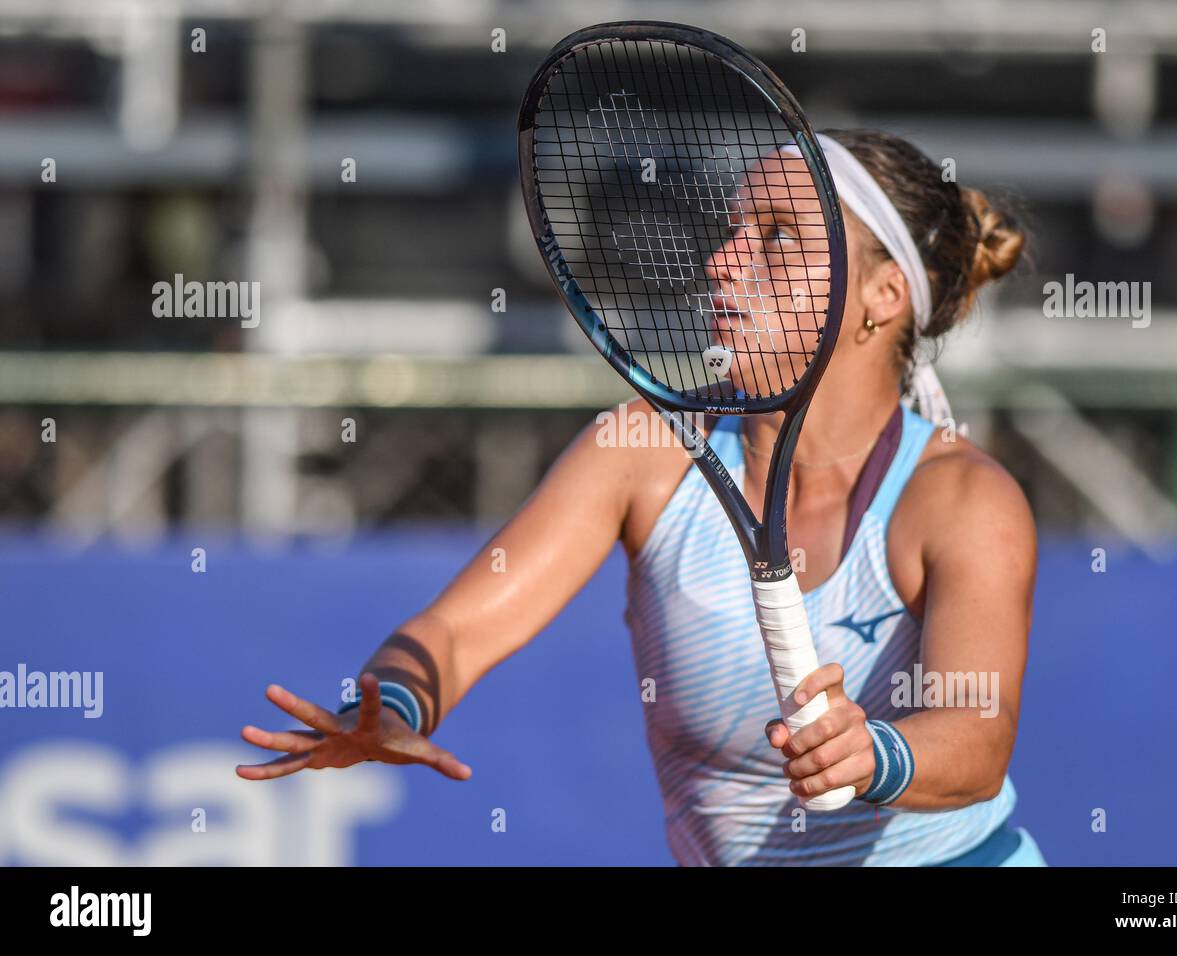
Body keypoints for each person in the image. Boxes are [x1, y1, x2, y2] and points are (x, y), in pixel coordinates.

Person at [237, 129, 1046, 867]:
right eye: (735, 232)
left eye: (778, 239)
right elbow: (456, 631)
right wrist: (391, 702)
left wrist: (875, 754)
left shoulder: (963, 499)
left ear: (883, 296)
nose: (725, 261)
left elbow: (977, 740)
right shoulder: (643, 449)